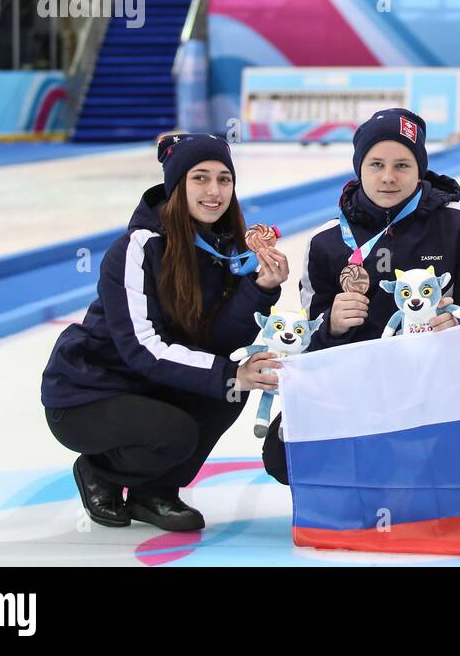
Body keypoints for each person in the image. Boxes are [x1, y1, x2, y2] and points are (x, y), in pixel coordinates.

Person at [42, 134, 288, 531]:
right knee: (183, 423)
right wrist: (228, 373)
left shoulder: (225, 248)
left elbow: (218, 341)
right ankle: (99, 471)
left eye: (224, 180)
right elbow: (143, 348)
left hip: (151, 389)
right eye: (200, 178)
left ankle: (154, 492)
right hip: (91, 391)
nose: (214, 191)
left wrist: (259, 289)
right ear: (177, 185)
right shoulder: (139, 247)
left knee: (229, 390)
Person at [261, 107, 460, 483]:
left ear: (420, 167)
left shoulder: (459, 221)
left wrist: (459, 320)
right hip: (360, 380)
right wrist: (334, 326)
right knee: (282, 453)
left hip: (440, 379)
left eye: (402, 165)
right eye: (376, 164)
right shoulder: (325, 240)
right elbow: (308, 338)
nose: (388, 177)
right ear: (359, 168)